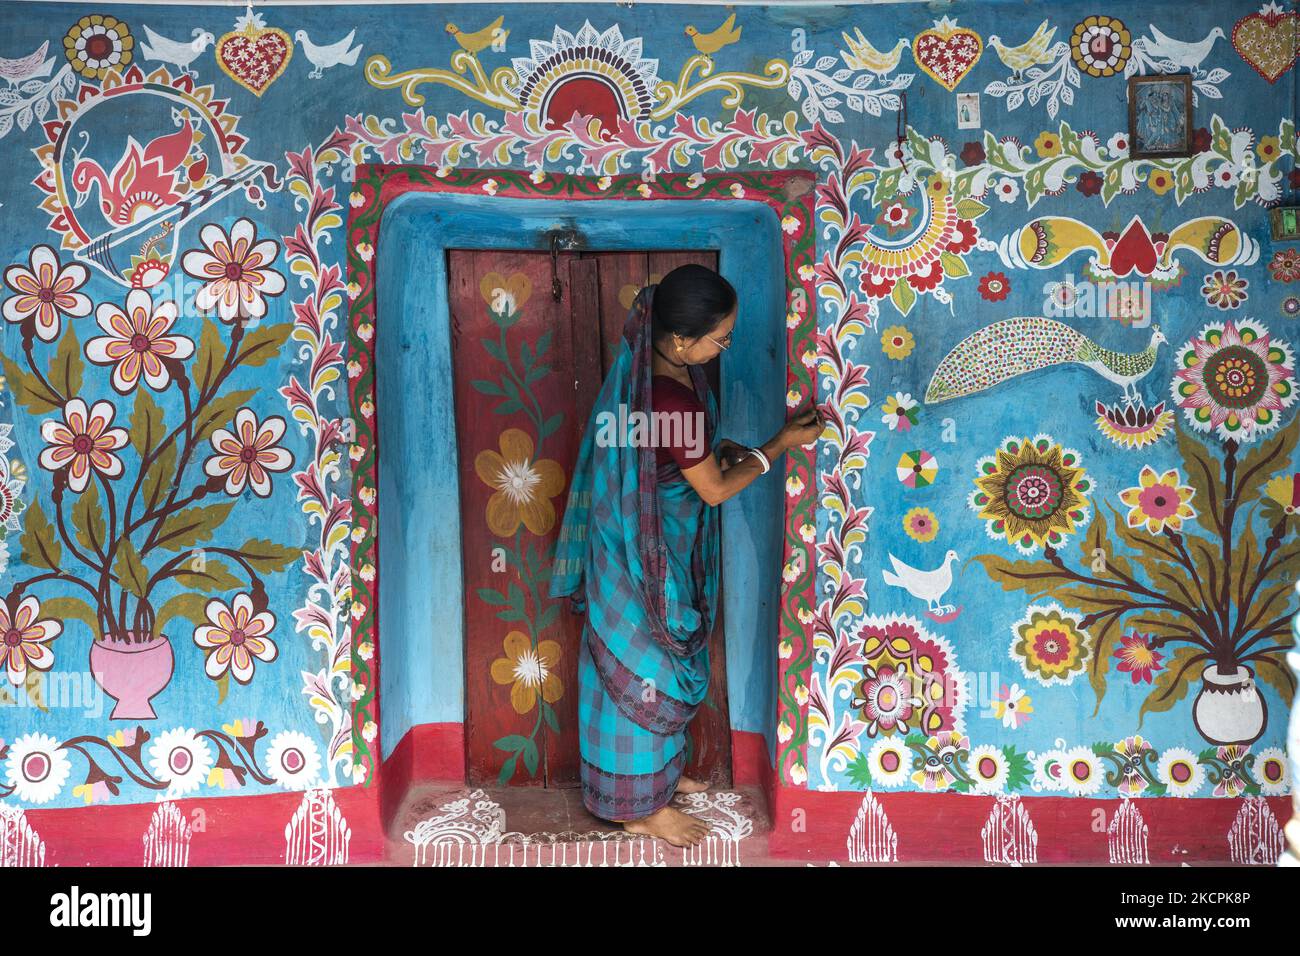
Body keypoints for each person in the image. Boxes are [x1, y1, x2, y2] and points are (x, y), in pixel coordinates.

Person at [550, 263, 821, 847]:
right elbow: (714, 489)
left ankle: (658, 781)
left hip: (624, 546)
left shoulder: (641, 380)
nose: (724, 347)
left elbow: (657, 455)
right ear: (679, 339)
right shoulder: (675, 402)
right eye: (719, 337)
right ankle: (636, 808)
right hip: (648, 565)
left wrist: (721, 449)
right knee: (644, 670)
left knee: (641, 669)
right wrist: (780, 444)